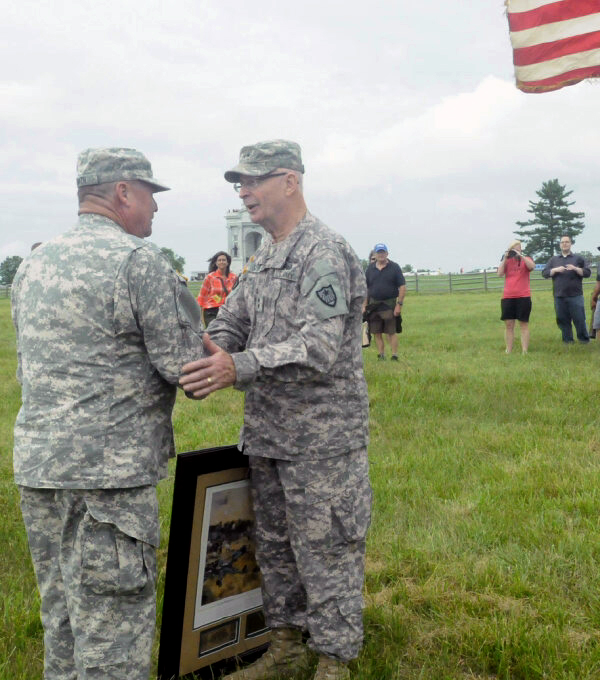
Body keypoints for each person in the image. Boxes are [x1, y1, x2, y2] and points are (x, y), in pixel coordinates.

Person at [179, 140, 370, 680]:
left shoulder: (323, 251)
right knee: (276, 546)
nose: (243, 192)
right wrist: (203, 351)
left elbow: (319, 348)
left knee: (327, 547)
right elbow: (230, 325)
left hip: (321, 439)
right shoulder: (263, 257)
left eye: (253, 181)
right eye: (238, 183)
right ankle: (286, 647)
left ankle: (334, 661)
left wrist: (236, 367)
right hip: (268, 434)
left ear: (290, 181)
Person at [11, 148, 204, 680]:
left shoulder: (34, 263)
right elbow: (186, 368)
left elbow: (28, 369)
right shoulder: (137, 262)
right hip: (109, 484)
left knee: (64, 622)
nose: (155, 210)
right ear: (122, 192)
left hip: (41, 472)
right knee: (113, 637)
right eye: (150, 195)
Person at [542, 235, 591, 343]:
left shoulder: (578, 258)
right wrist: (554, 270)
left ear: (571, 244)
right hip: (559, 296)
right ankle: (568, 341)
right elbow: (544, 273)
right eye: (562, 242)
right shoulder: (554, 259)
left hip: (575, 295)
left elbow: (587, 272)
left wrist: (575, 269)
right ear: (559, 245)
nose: (564, 244)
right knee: (562, 320)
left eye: (567, 242)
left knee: (579, 319)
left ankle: (584, 340)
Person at [364, 243, 406, 361]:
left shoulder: (394, 267)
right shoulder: (369, 269)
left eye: (383, 252)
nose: (381, 255)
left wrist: (399, 305)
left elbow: (402, 286)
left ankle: (394, 355)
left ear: (387, 253)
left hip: (389, 305)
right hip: (373, 305)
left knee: (390, 331)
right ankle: (381, 354)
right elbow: (365, 289)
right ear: (375, 255)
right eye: (379, 252)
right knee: (376, 332)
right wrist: (364, 305)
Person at [498, 239, 534, 353]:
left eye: (518, 248)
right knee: (509, 324)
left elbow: (532, 267)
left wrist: (521, 256)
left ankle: (524, 350)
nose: (516, 250)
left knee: (523, 323)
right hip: (508, 296)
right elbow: (499, 274)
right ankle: (508, 349)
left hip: (523, 295)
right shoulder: (507, 260)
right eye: (514, 249)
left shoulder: (526, 258)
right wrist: (505, 257)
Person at [196, 250, 238, 327]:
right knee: (214, 335)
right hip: (211, 311)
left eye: (224, 260)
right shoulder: (210, 277)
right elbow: (201, 297)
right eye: (219, 260)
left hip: (228, 311)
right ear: (216, 263)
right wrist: (198, 318)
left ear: (227, 262)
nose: (221, 262)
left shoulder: (234, 277)